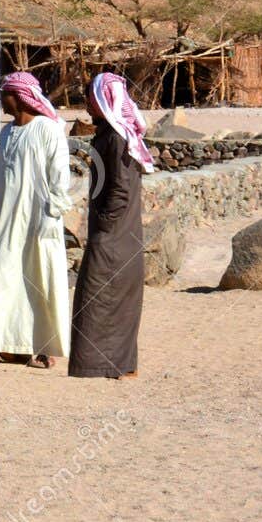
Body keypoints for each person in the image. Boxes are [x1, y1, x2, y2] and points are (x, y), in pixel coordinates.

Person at [0, 71, 72, 369]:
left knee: (35, 278)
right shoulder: (7, 132)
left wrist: (51, 216)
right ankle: (7, 344)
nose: (2, 101)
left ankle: (41, 347)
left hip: (37, 220)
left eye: (5, 95)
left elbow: (60, 178)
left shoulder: (47, 130)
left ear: (20, 97)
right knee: (4, 279)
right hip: (3, 220)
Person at [69, 72, 155, 380]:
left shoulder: (117, 138)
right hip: (119, 233)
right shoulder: (112, 134)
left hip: (114, 235)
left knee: (99, 297)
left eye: (90, 97)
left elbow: (119, 189)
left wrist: (104, 227)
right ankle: (119, 364)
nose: (87, 104)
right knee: (113, 299)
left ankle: (104, 366)